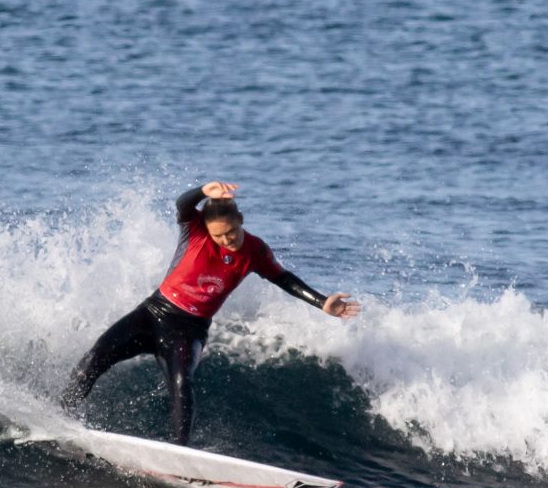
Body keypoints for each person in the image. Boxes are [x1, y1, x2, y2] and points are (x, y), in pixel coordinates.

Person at [61, 181, 359, 445]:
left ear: (240, 220)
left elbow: (283, 278)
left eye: (231, 232)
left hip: (190, 329)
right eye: (219, 236)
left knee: (181, 385)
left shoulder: (255, 250)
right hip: (153, 313)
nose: (227, 240)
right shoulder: (195, 230)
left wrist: (322, 302)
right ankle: (62, 415)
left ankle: (179, 451)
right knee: (95, 357)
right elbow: (183, 204)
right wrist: (204, 190)